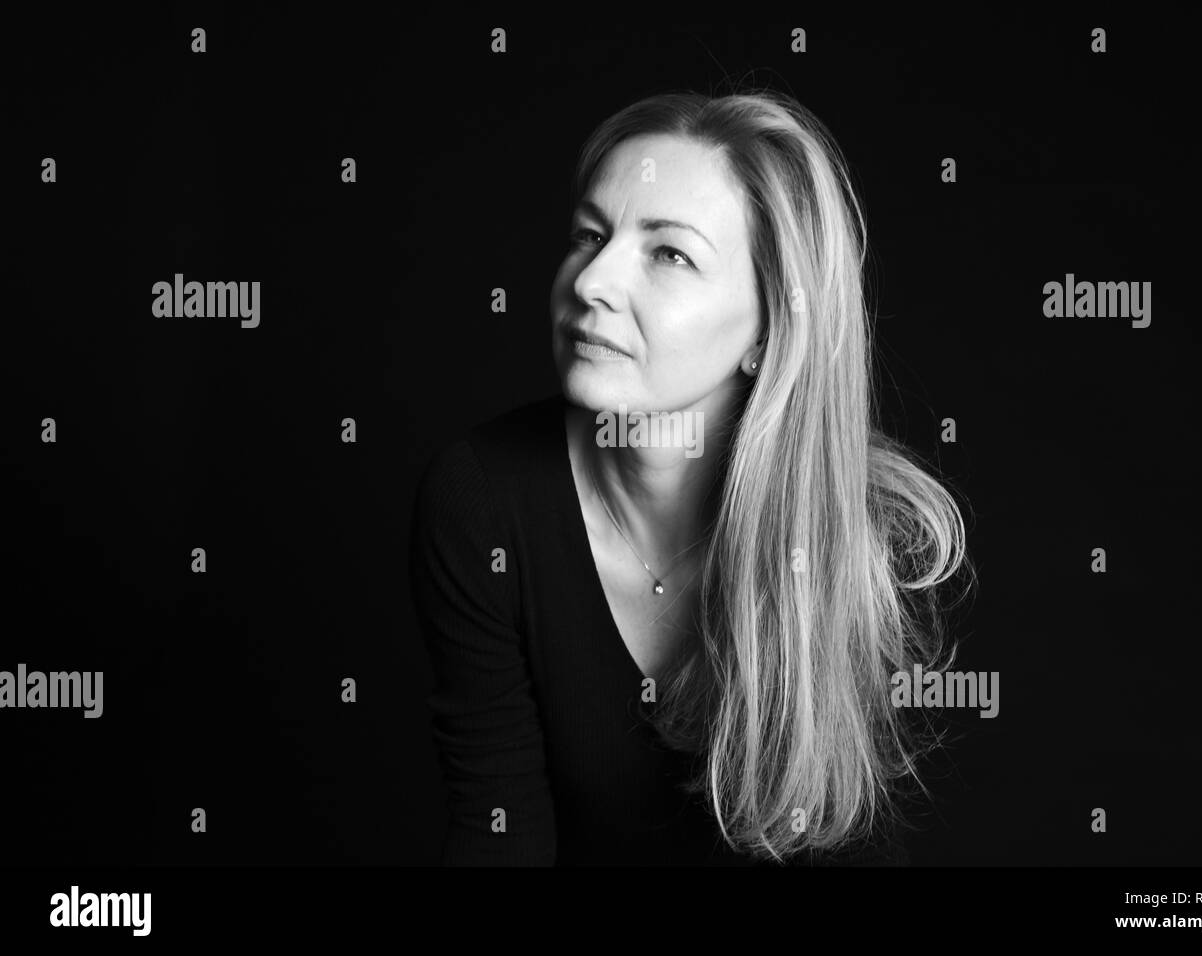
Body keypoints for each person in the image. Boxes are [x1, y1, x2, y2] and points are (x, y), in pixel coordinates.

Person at [409, 88, 972, 866]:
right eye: (588, 235)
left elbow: (846, 845)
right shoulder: (482, 500)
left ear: (769, 324)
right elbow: (498, 832)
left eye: (668, 253)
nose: (591, 281)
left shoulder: (870, 532)